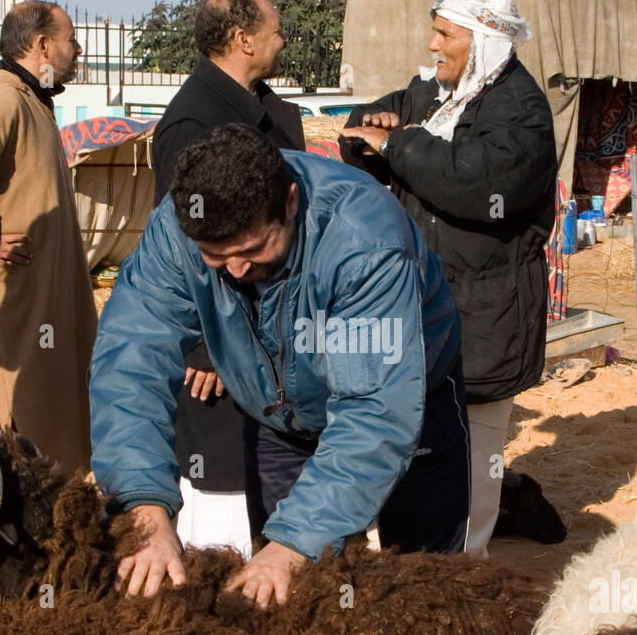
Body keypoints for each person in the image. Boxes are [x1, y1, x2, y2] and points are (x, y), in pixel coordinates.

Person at [90, 124, 467, 608]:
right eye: (214, 257)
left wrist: (296, 544)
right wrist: (144, 510)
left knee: (423, 590)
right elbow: (130, 357)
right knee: (283, 598)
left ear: (291, 202)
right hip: (276, 413)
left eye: (251, 250)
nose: (237, 271)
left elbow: (375, 409)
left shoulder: (363, 240)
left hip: (409, 401)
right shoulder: (180, 226)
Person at [339, 0, 555, 560]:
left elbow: (474, 181)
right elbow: (370, 119)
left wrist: (397, 147)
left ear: (483, 39)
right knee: (419, 441)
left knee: (473, 459)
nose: (433, 45)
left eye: (444, 34)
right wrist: (373, 128)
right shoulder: (436, 92)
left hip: (486, 313)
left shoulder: (521, 111)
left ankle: (465, 570)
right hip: (426, 304)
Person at [147, 0, 306, 558]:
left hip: (271, 336)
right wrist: (208, 347)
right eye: (275, 28)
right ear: (244, 39)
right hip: (222, 350)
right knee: (224, 500)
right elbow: (190, 248)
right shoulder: (195, 122)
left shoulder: (259, 109)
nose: (282, 39)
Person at [0, 1, 98, 475]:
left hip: (49, 301)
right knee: (20, 434)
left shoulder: (33, 101)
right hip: (17, 304)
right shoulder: (0, 99)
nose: (77, 50)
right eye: (70, 40)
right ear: (42, 45)